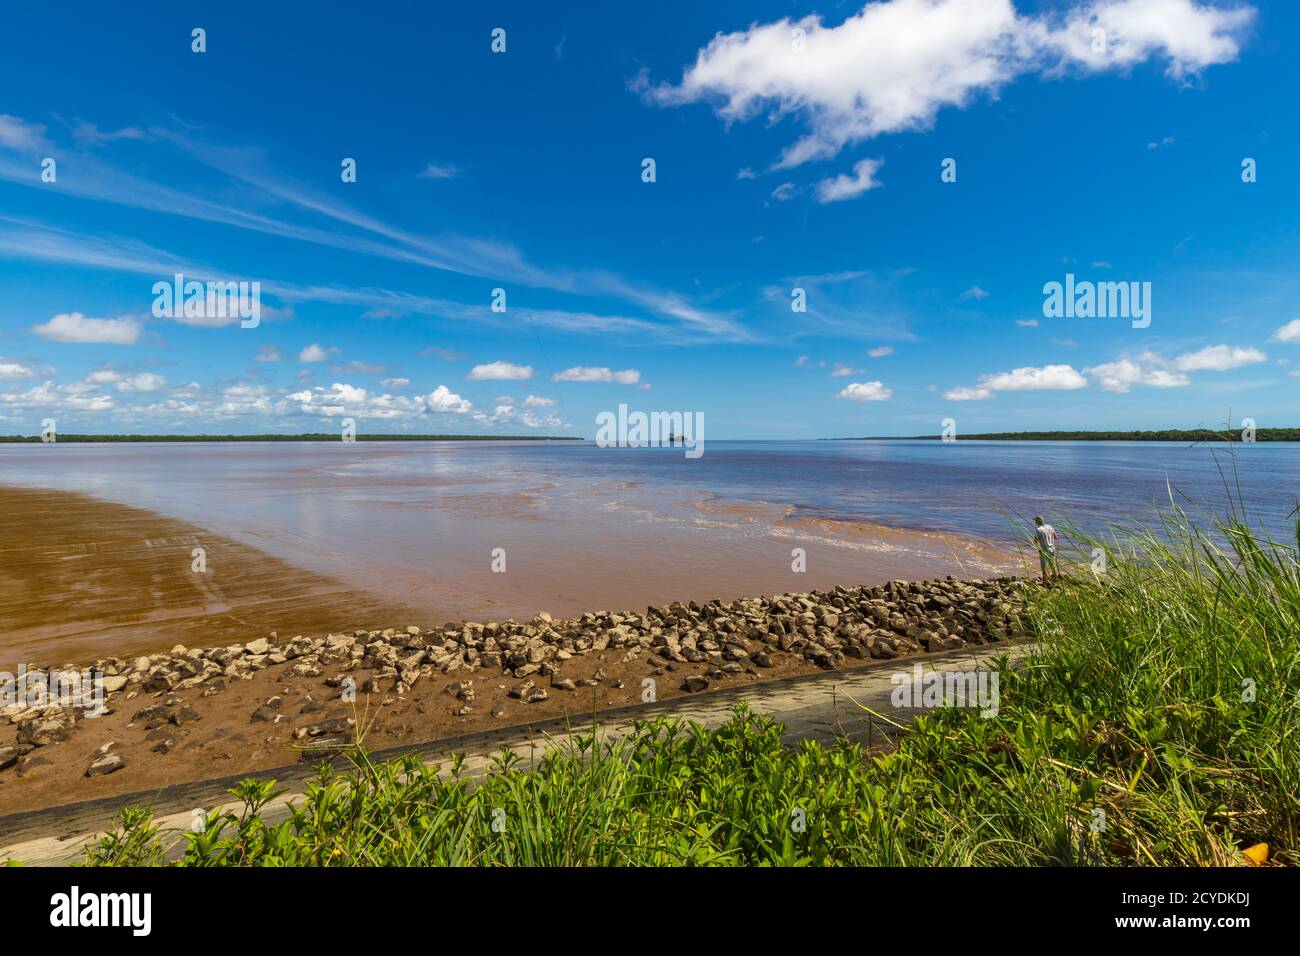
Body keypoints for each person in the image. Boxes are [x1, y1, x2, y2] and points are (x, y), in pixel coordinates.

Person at [1033, 516, 1059, 585]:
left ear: (1037, 522)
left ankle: (1044, 582)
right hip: (1052, 549)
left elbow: (1035, 541)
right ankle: (1055, 580)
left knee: (1043, 567)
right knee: (1052, 565)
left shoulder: (1038, 530)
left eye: (1035, 521)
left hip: (1044, 550)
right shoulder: (1050, 526)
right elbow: (1056, 537)